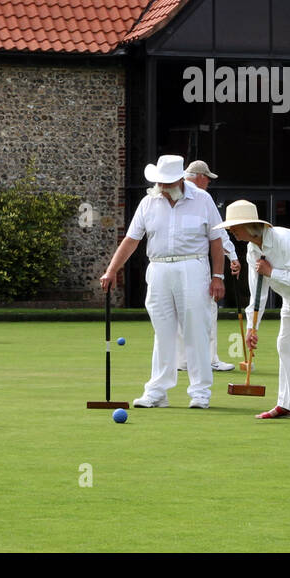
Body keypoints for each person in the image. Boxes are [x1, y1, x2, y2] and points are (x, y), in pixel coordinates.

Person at [99, 154, 226, 409]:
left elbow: (216, 240)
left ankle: (200, 391)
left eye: (168, 183)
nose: (164, 188)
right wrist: (112, 270)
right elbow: (132, 239)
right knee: (163, 331)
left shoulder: (203, 200)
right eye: (161, 183)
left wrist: (218, 276)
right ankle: (158, 391)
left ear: (180, 179)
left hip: (192, 265)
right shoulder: (148, 202)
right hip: (158, 269)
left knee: (196, 330)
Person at [217, 200, 290, 423]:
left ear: (250, 225)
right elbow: (258, 293)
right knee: (284, 345)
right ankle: (285, 404)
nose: (231, 231)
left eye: (235, 227)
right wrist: (252, 328)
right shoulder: (252, 250)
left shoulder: (285, 238)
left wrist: (271, 272)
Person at [176, 160, 240, 373]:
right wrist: (233, 256)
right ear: (201, 177)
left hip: (170, 267)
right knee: (207, 311)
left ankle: (182, 361)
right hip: (197, 266)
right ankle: (210, 359)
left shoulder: (167, 194)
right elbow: (218, 232)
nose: (208, 184)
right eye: (208, 180)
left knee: (180, 313)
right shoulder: (203, 198)